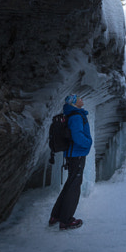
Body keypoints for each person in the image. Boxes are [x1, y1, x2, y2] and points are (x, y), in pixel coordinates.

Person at [49, 94, 91, 230]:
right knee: (74, 187)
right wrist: (88, 144)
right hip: (77, 154)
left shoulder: (72, 115)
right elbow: (77, 135)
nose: (81, 99)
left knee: (70, 184)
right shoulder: (76, 116)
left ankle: (56, 215)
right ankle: (66, 220)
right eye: (78, 98)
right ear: (74, 103)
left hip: (73, 154)